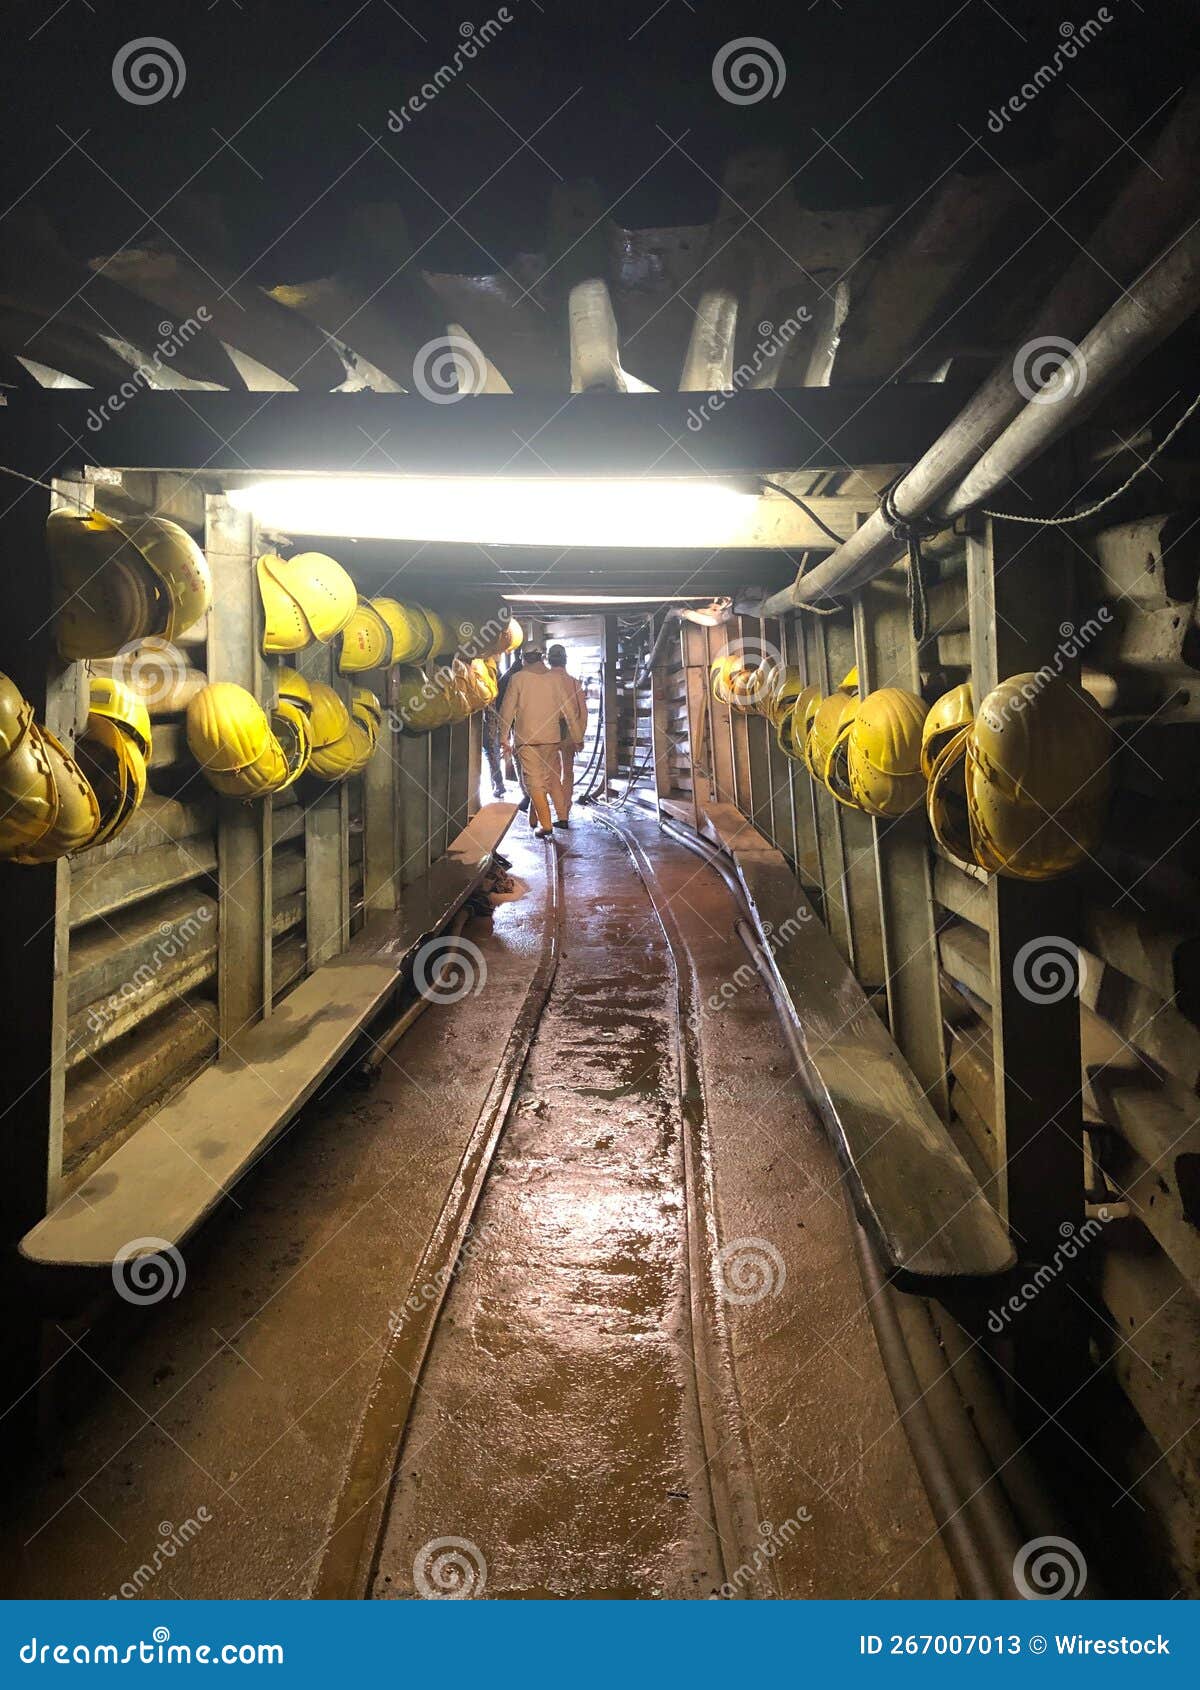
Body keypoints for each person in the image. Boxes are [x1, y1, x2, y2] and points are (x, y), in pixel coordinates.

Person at [498, 645, 586, 838]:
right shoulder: (555, 680)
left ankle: (546, 825)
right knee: (548, 777)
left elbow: (507, 710)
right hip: (551, 739)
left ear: (524, 659)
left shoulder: (518, 679)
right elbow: (569, 711)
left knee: (534, 782)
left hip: (527, 739)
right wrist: (577, 737)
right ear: (541, 658)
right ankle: (544, 817)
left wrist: (503, 738)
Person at [546, 644, 588, 818]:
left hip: (549, 731)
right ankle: (566, 807)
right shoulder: (573, 682)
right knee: (568, 771)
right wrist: (580, 735)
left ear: (549, 660)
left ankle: (556, 810)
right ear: (565, 660)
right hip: (570, 732)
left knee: (550, 772)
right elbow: (582, 711)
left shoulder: (543, 680)